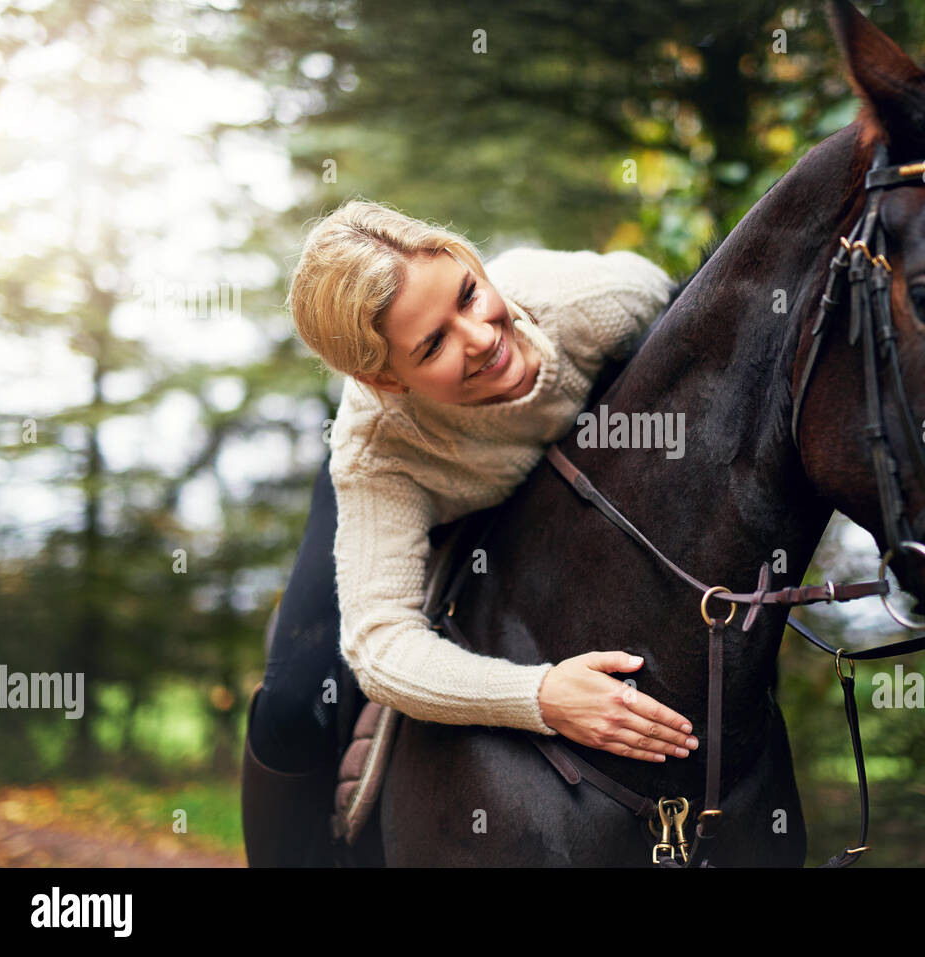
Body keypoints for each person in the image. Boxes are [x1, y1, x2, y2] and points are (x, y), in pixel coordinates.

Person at [241, 199, 698, 865]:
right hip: (424, 490)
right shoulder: (376, 449)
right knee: (295, 700)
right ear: (384, 378)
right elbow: (381, 648)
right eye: (434, 343)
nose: (481, 336)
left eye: (468, 294)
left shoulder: (595, 300)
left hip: (560, 478)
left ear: (471, 262)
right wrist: (541, 696)